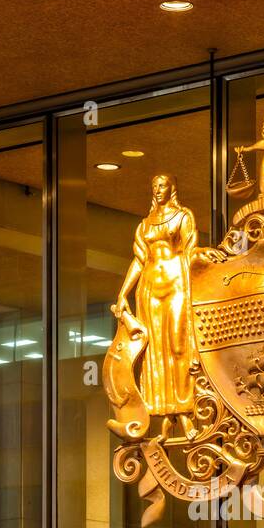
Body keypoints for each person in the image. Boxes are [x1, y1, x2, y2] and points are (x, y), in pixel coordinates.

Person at [111, 174, 199, 417]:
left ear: (172, 188)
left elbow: (190, 252)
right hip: (149, 288)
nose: (158, 190)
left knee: (178, 344)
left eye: (162, 186)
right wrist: (122, 294)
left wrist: (207, 262)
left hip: (177, 284)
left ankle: (185, 408)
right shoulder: (145, 224)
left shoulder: (183, 217)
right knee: (154, 351)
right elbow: (140, 260)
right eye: (154, 186)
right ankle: (161, 410)